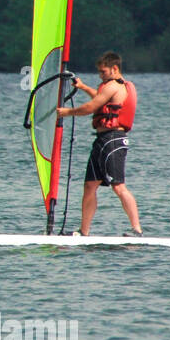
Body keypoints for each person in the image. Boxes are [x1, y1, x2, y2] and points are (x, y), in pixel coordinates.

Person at [57, 51, 142, 236]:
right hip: (102, 141)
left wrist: (67, 112)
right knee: (89, 186)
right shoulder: (110, 87)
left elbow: (91, 107)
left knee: (118, 186)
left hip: (113, 141)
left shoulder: (114, 86)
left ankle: (137, 229)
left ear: (115, 69)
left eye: (103, 72)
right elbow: (100, 99)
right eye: (99, 72)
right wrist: (83, 87)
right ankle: (84, 232)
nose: (100, 75)